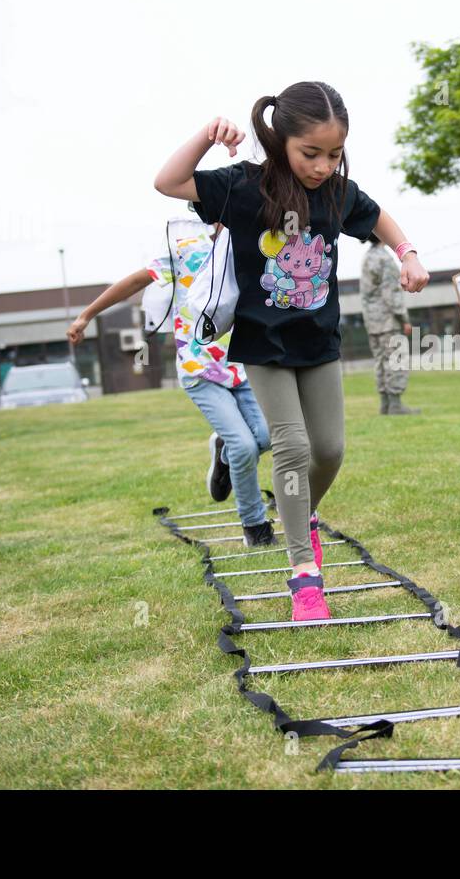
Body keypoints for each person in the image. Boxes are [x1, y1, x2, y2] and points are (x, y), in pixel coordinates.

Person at [154, 81, 429, 620]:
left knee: (329, 450)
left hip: (320, 342)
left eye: (334, 154)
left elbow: (377, 218)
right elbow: (168, 182)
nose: (324, 165)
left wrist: (408, 255)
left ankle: (298, 514)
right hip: (263, 343)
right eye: (311, 153)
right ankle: (305, 574)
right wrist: (209, 136)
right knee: (292, 447)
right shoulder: (243, 187)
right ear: (281, 141)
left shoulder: (335, 193)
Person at [66, 234, 276, 547]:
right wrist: (87, 315)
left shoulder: (244, 237)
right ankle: (255, 527)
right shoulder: (184, 246)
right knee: (244, 446)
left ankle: (224, 452)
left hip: (242, 364)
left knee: (268, 436)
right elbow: (135, 282)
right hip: (199, 368)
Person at [359, 233, 419, 414]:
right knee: (395, 360)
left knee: (381, 361)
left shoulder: (367, 258)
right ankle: (395, 405)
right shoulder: (384, 259)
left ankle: (385, 404)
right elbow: (391, 293)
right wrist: (404, 319)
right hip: (388, 320)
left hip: (372, 321)